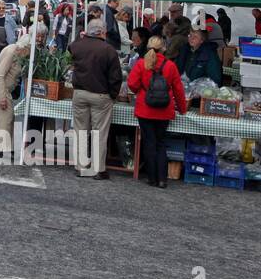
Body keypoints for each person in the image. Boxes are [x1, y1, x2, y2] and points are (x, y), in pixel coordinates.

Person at [128, 36, 186, 188]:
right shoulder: (171, 66)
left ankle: (152, 177)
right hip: (164, 110)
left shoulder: (142, 63)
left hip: (145, 109)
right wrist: (182, 109)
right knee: (161, 143)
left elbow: (132, 84)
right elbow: (179, 90)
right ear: (164, 48)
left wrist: (141, 90)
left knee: (149, 143)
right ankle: (162, 179)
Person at [69, 19, 124, 179]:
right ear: (102, 32)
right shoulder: (108, 50)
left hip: (79, 93)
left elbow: (69, 55)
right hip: (100, 94)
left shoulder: (76, 45)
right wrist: (112, 95)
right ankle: (98, 169)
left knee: (80, 130)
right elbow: (116, 77)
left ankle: (81, 166)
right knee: (99, 133)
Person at [0, 25, 46, 155]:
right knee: (5, 116)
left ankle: (7, 146)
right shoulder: (12, 51)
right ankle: (3, 147)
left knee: (9, 116)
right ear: (24, 47)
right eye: (28, 50)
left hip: (5, 85)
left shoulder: (19, 53)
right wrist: (2, 97)